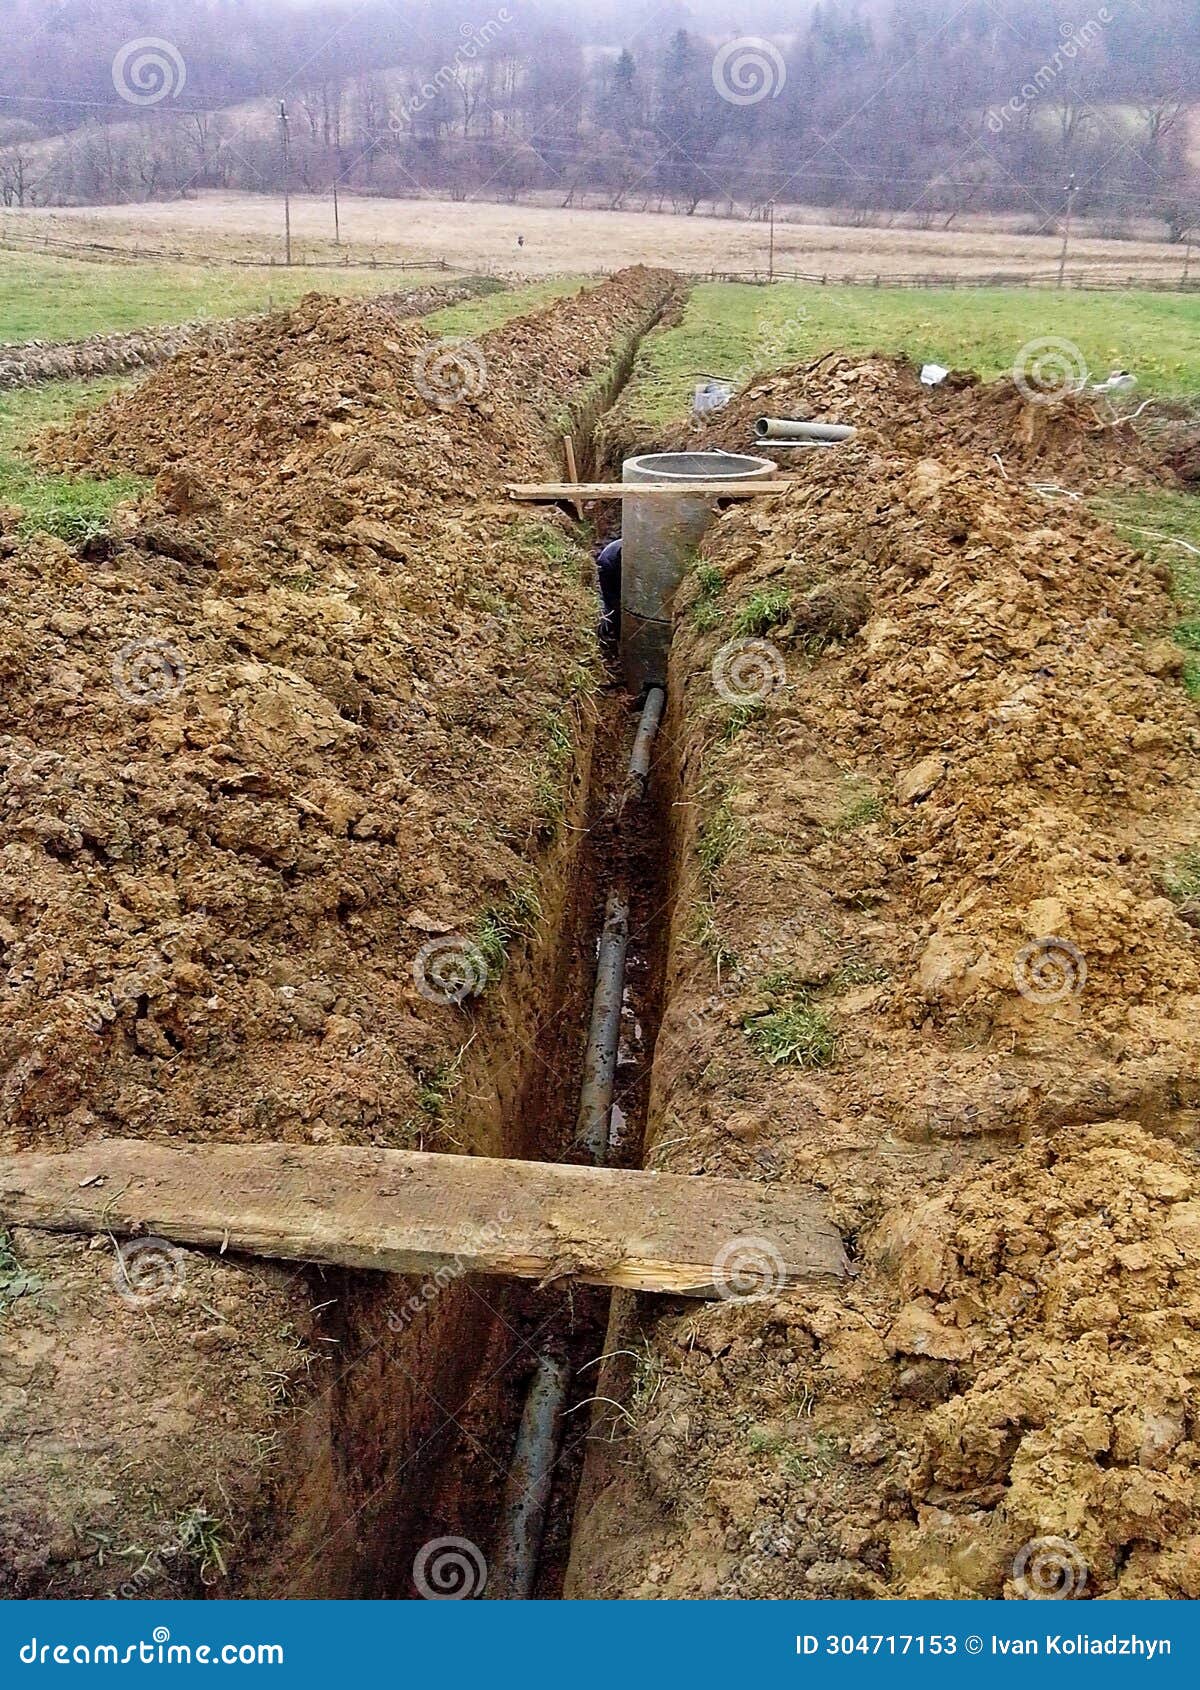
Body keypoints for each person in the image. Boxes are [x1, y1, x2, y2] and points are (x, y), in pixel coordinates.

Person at [596, 536, 621, 642]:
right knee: (611, 600)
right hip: (607, 567)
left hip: (615, 561)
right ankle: (609, 630)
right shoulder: (608, 562)